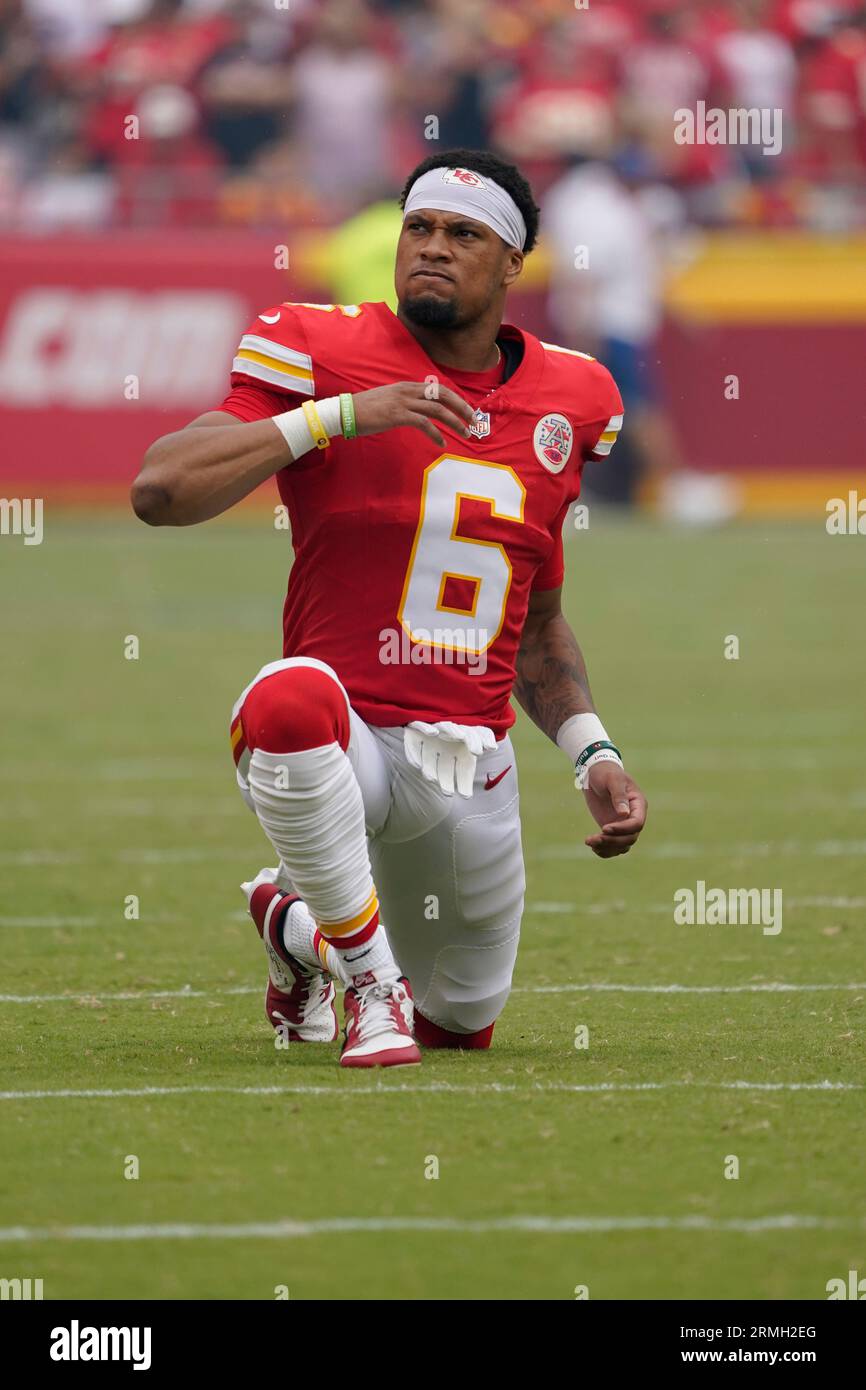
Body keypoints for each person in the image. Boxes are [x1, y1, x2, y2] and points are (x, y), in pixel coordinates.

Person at [131, 148, 648, 1069]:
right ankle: (369, 982)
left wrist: (593, 751)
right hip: (347, 744)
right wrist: (336, 418)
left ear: (513, 262)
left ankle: (298, 931)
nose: (432, 249)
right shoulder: (319, 350)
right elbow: (160, 490)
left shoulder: (577, 398)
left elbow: (535, 620)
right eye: (419, 227)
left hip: (471, 763)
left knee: (461, 1030)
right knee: (286, 700)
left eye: (463, 234)